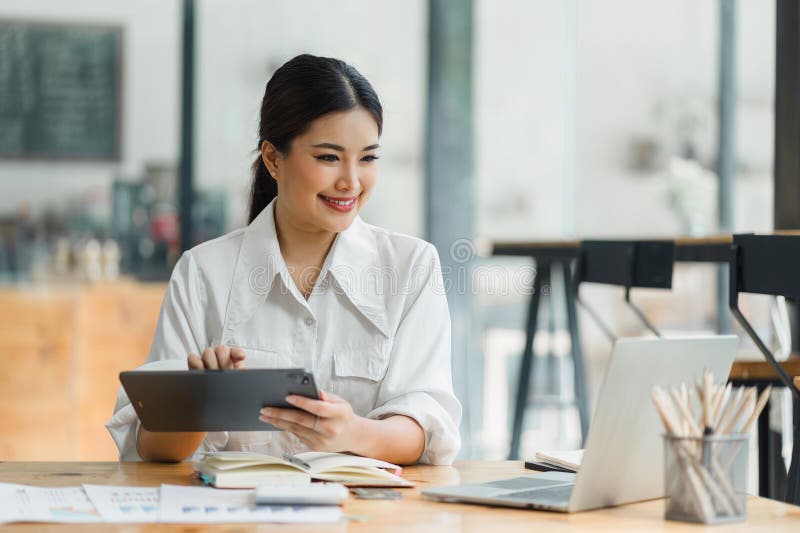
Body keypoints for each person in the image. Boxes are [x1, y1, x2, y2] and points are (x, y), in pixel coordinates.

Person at [106, 54, 461, 466]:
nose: (351, 181)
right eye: (329, 157)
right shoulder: (203, 272)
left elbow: (427, 429)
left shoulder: (411, 266)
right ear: (274, 159)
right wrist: (199, 399)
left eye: (367, 158)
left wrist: (352, 432)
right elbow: (150, 452)